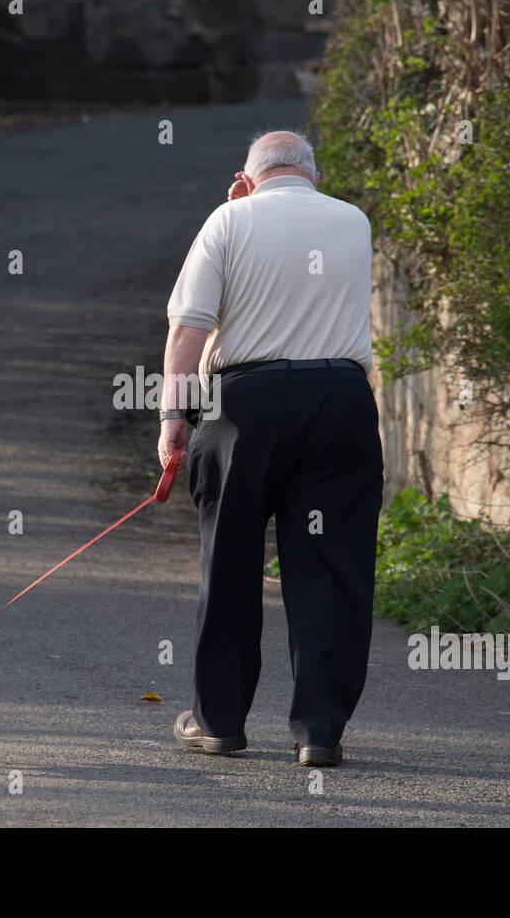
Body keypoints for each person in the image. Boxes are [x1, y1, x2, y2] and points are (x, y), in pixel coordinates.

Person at [158, 129, 383, 767]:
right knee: (333, 569)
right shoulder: (354, 221)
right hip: (340, 400)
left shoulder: (229, 220)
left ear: (248, 177)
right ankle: (319, 733)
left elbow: (187, 330)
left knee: (228, 561)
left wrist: (174, 417)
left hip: (244, 405)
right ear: (311, 173)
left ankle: (219, 722)